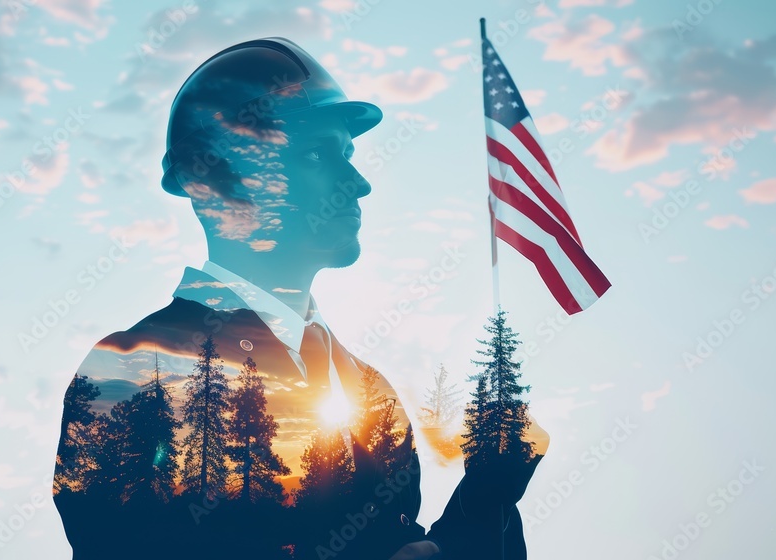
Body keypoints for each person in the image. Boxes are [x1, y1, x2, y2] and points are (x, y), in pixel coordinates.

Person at [52, 37, 545, 560]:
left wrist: (482, 504)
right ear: (207, 178)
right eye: (313, 153)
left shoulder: (370, 389)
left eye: (348, 155)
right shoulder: (130, 366)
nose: (357, 184)